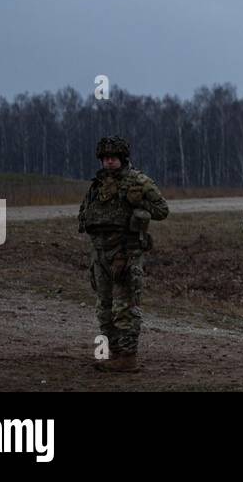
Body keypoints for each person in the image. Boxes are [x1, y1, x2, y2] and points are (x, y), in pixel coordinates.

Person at [77, 135, 169, 372]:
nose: (109, 162)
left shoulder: (137, 181)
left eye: (113, 158)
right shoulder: (97, 185)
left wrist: (138, 203)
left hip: (126, 253)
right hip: (100, 254)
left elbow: (162, 210)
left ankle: (128, 358)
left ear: (122, 158)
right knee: (104, 308)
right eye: (105, 158)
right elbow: (87, 216)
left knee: (124, 307)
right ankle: (115, 354)